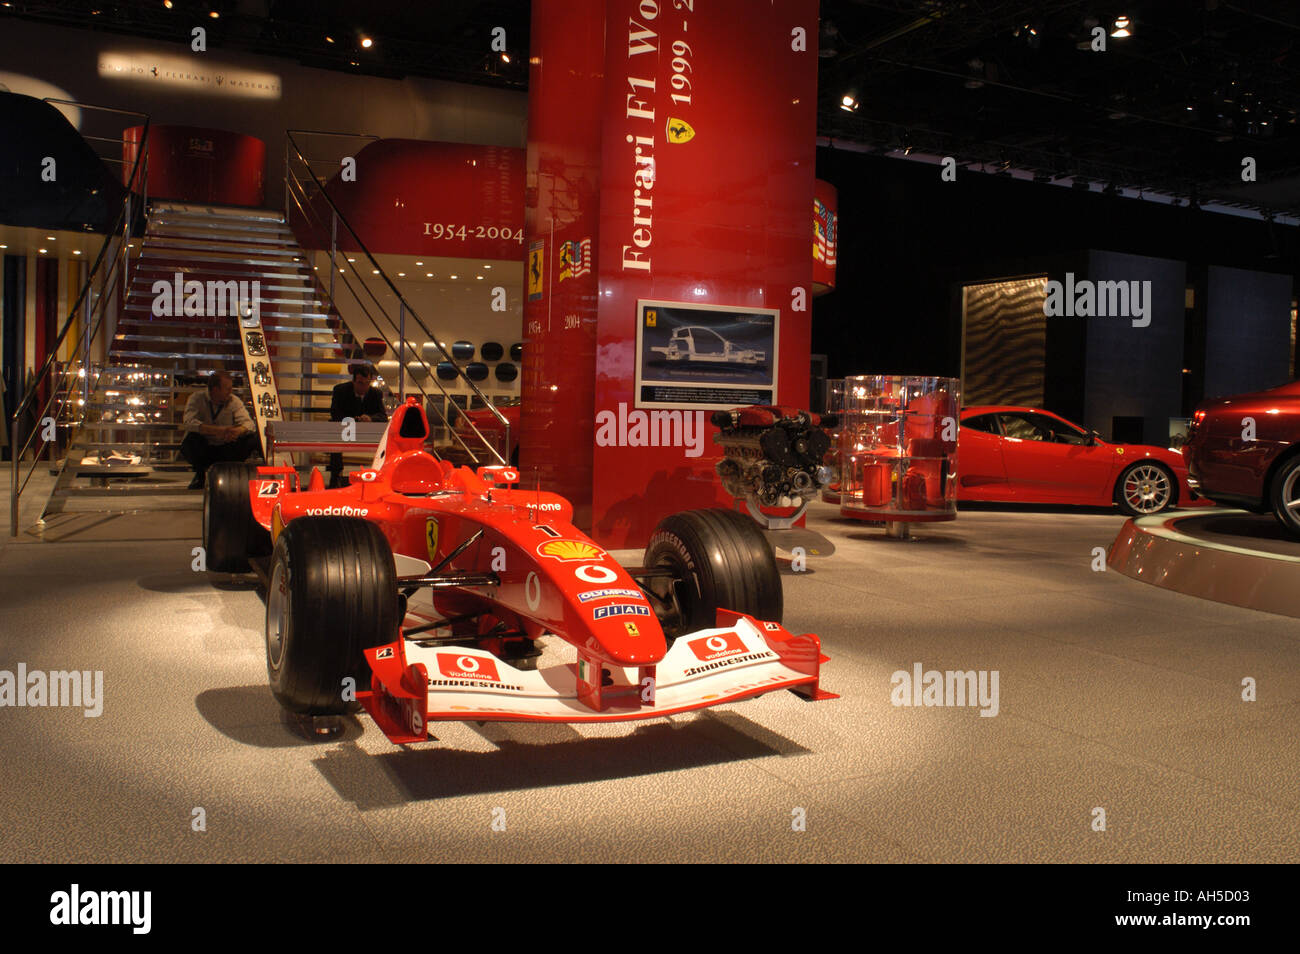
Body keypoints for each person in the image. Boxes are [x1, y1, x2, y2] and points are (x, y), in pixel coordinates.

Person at [180, 370, 259, 489]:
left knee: (252, 439)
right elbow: (189, 422)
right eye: (227, 388)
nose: (230, 391)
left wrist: (237, 431)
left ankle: (235, 475)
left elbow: (249, 424)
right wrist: (217, 430)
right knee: (191, 440)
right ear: (215, 389)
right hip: (205, 447)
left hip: (226, 446)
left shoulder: (234, 401)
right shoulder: (197, 398)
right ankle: (200, 475)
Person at [328, 362, 387, 488]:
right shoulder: (340, 390)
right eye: (360, 383)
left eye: (367, 383)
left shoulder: (376, 393)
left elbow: (382, 416)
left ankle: (382, 475)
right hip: (344, 430)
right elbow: (335, 413)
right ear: (353, 382)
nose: (364, 387)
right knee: (334, 438)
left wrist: (370, 419)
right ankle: (335, 476)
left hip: (367, 433)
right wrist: (353, 420)